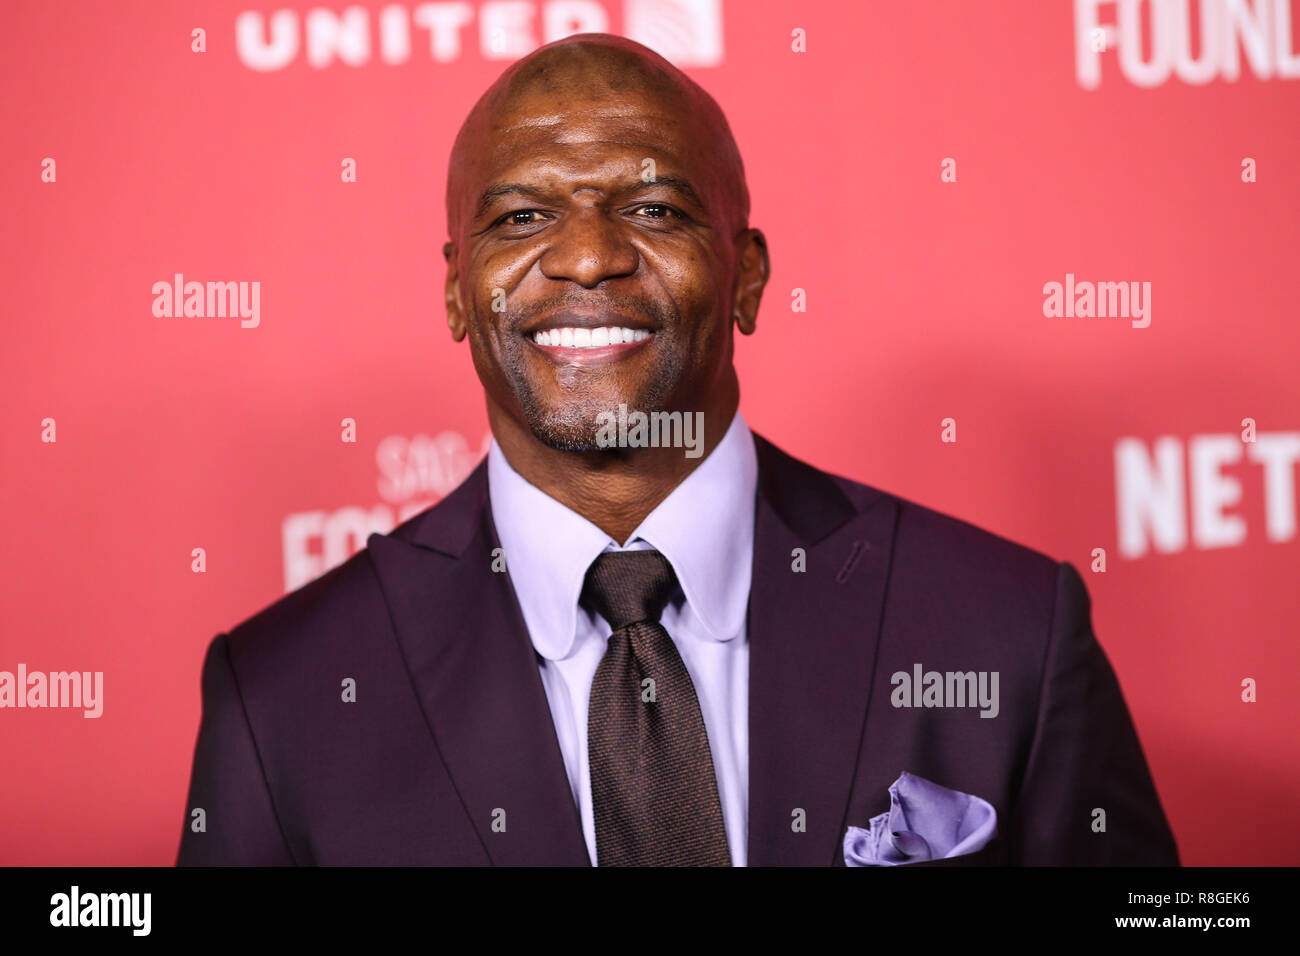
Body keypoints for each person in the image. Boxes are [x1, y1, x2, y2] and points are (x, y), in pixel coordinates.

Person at [177, 33, 1178, 867]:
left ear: (744, 273)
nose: (586, 255)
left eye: (653, 209)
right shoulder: (283, 696)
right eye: (522, 216)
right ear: (454, 291)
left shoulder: (1006, 631)